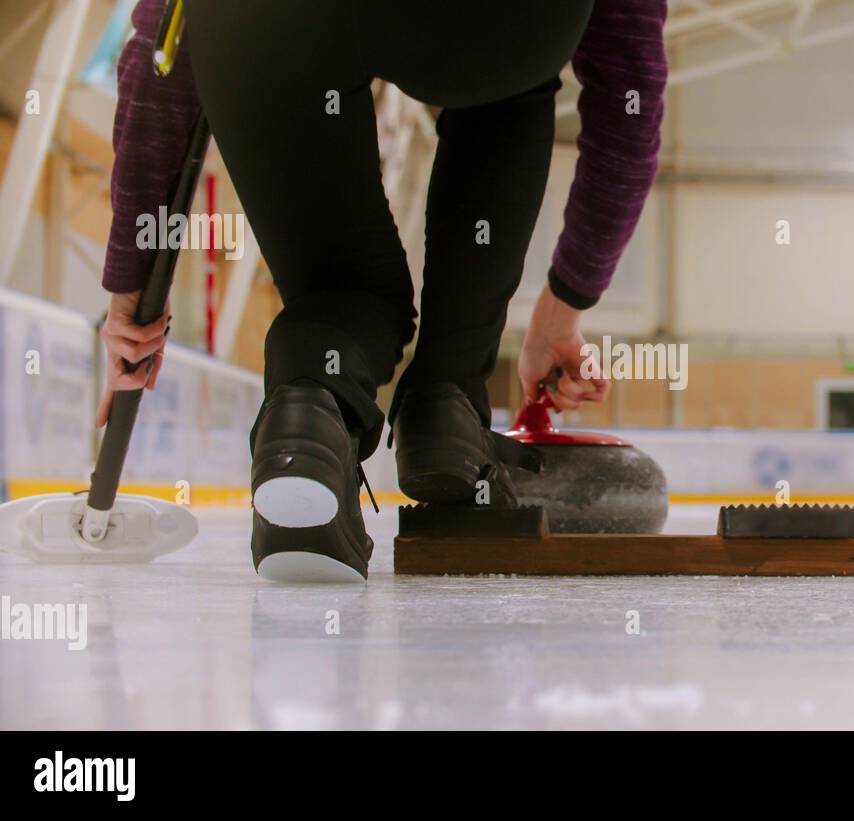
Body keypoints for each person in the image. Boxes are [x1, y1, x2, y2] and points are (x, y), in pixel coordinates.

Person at [99, 0, 668, 581]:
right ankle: (446, 408)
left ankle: (308, 412)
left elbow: (162, 44)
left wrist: (133, 279)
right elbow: (631, 89)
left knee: (344, 293)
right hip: (500, 31)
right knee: (510, 77)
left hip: (265, 21)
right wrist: (563, 306)